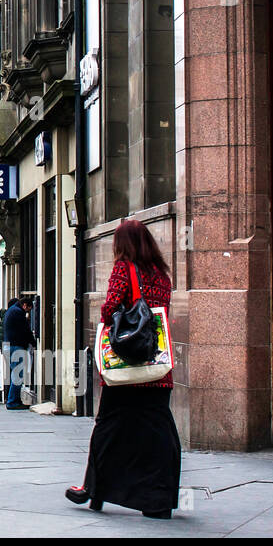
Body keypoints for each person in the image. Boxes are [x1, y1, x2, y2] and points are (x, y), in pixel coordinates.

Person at [66, 218, 179, 519]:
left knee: (108, 428)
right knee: (157, 434)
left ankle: (94, 488)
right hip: (156, 370)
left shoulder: (124, 269)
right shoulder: (161, 275)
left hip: (126, 370)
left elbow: (110, 307)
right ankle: (158, 499)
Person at [3, 297, 36, 409]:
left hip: (10, 346)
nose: (27, 312)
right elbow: (25, 330)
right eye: (28, 310)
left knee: (15, 374)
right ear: (25, 305)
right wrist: (33, 341)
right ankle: (12, 402)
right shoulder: (18, 312)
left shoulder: (12, 310)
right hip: (16, 346)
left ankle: (15, 400)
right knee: (17, 375)